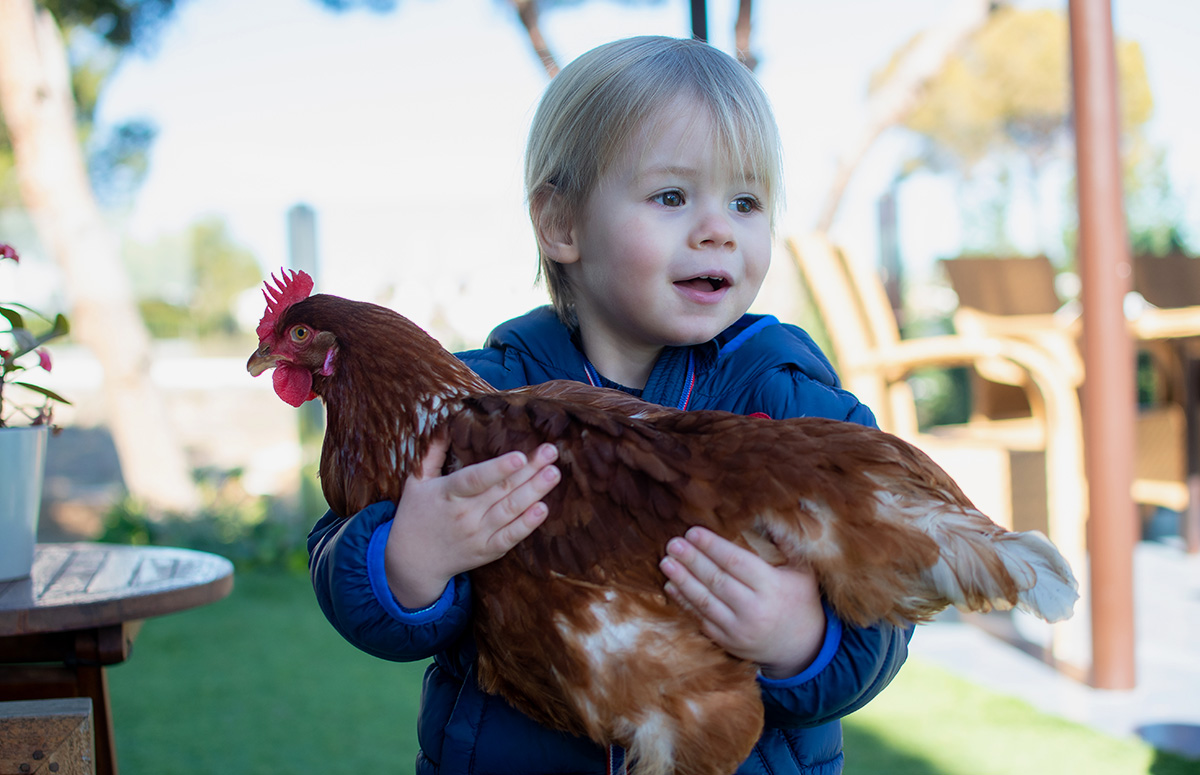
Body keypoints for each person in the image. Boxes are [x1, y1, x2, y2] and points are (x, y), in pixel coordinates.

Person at [308, 35, 911, 775]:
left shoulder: (791, 404)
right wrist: (408, 558)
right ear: (562, 224)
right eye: (672, 197)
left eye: (746, 202)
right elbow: (336, 549)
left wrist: (800, 639)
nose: (719, 228)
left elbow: (888, 597)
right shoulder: (476, 403)